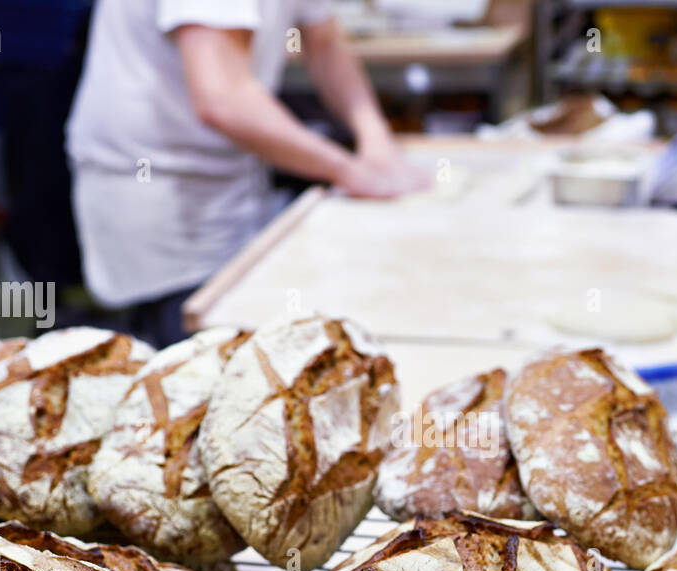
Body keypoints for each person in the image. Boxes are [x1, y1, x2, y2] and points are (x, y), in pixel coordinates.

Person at [65, 0, 428, 346]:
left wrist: (375, 138)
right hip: (159, 188)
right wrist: (348, 170)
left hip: (229, 181)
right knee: (195, 360)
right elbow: (223, 100)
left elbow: (324, 42)